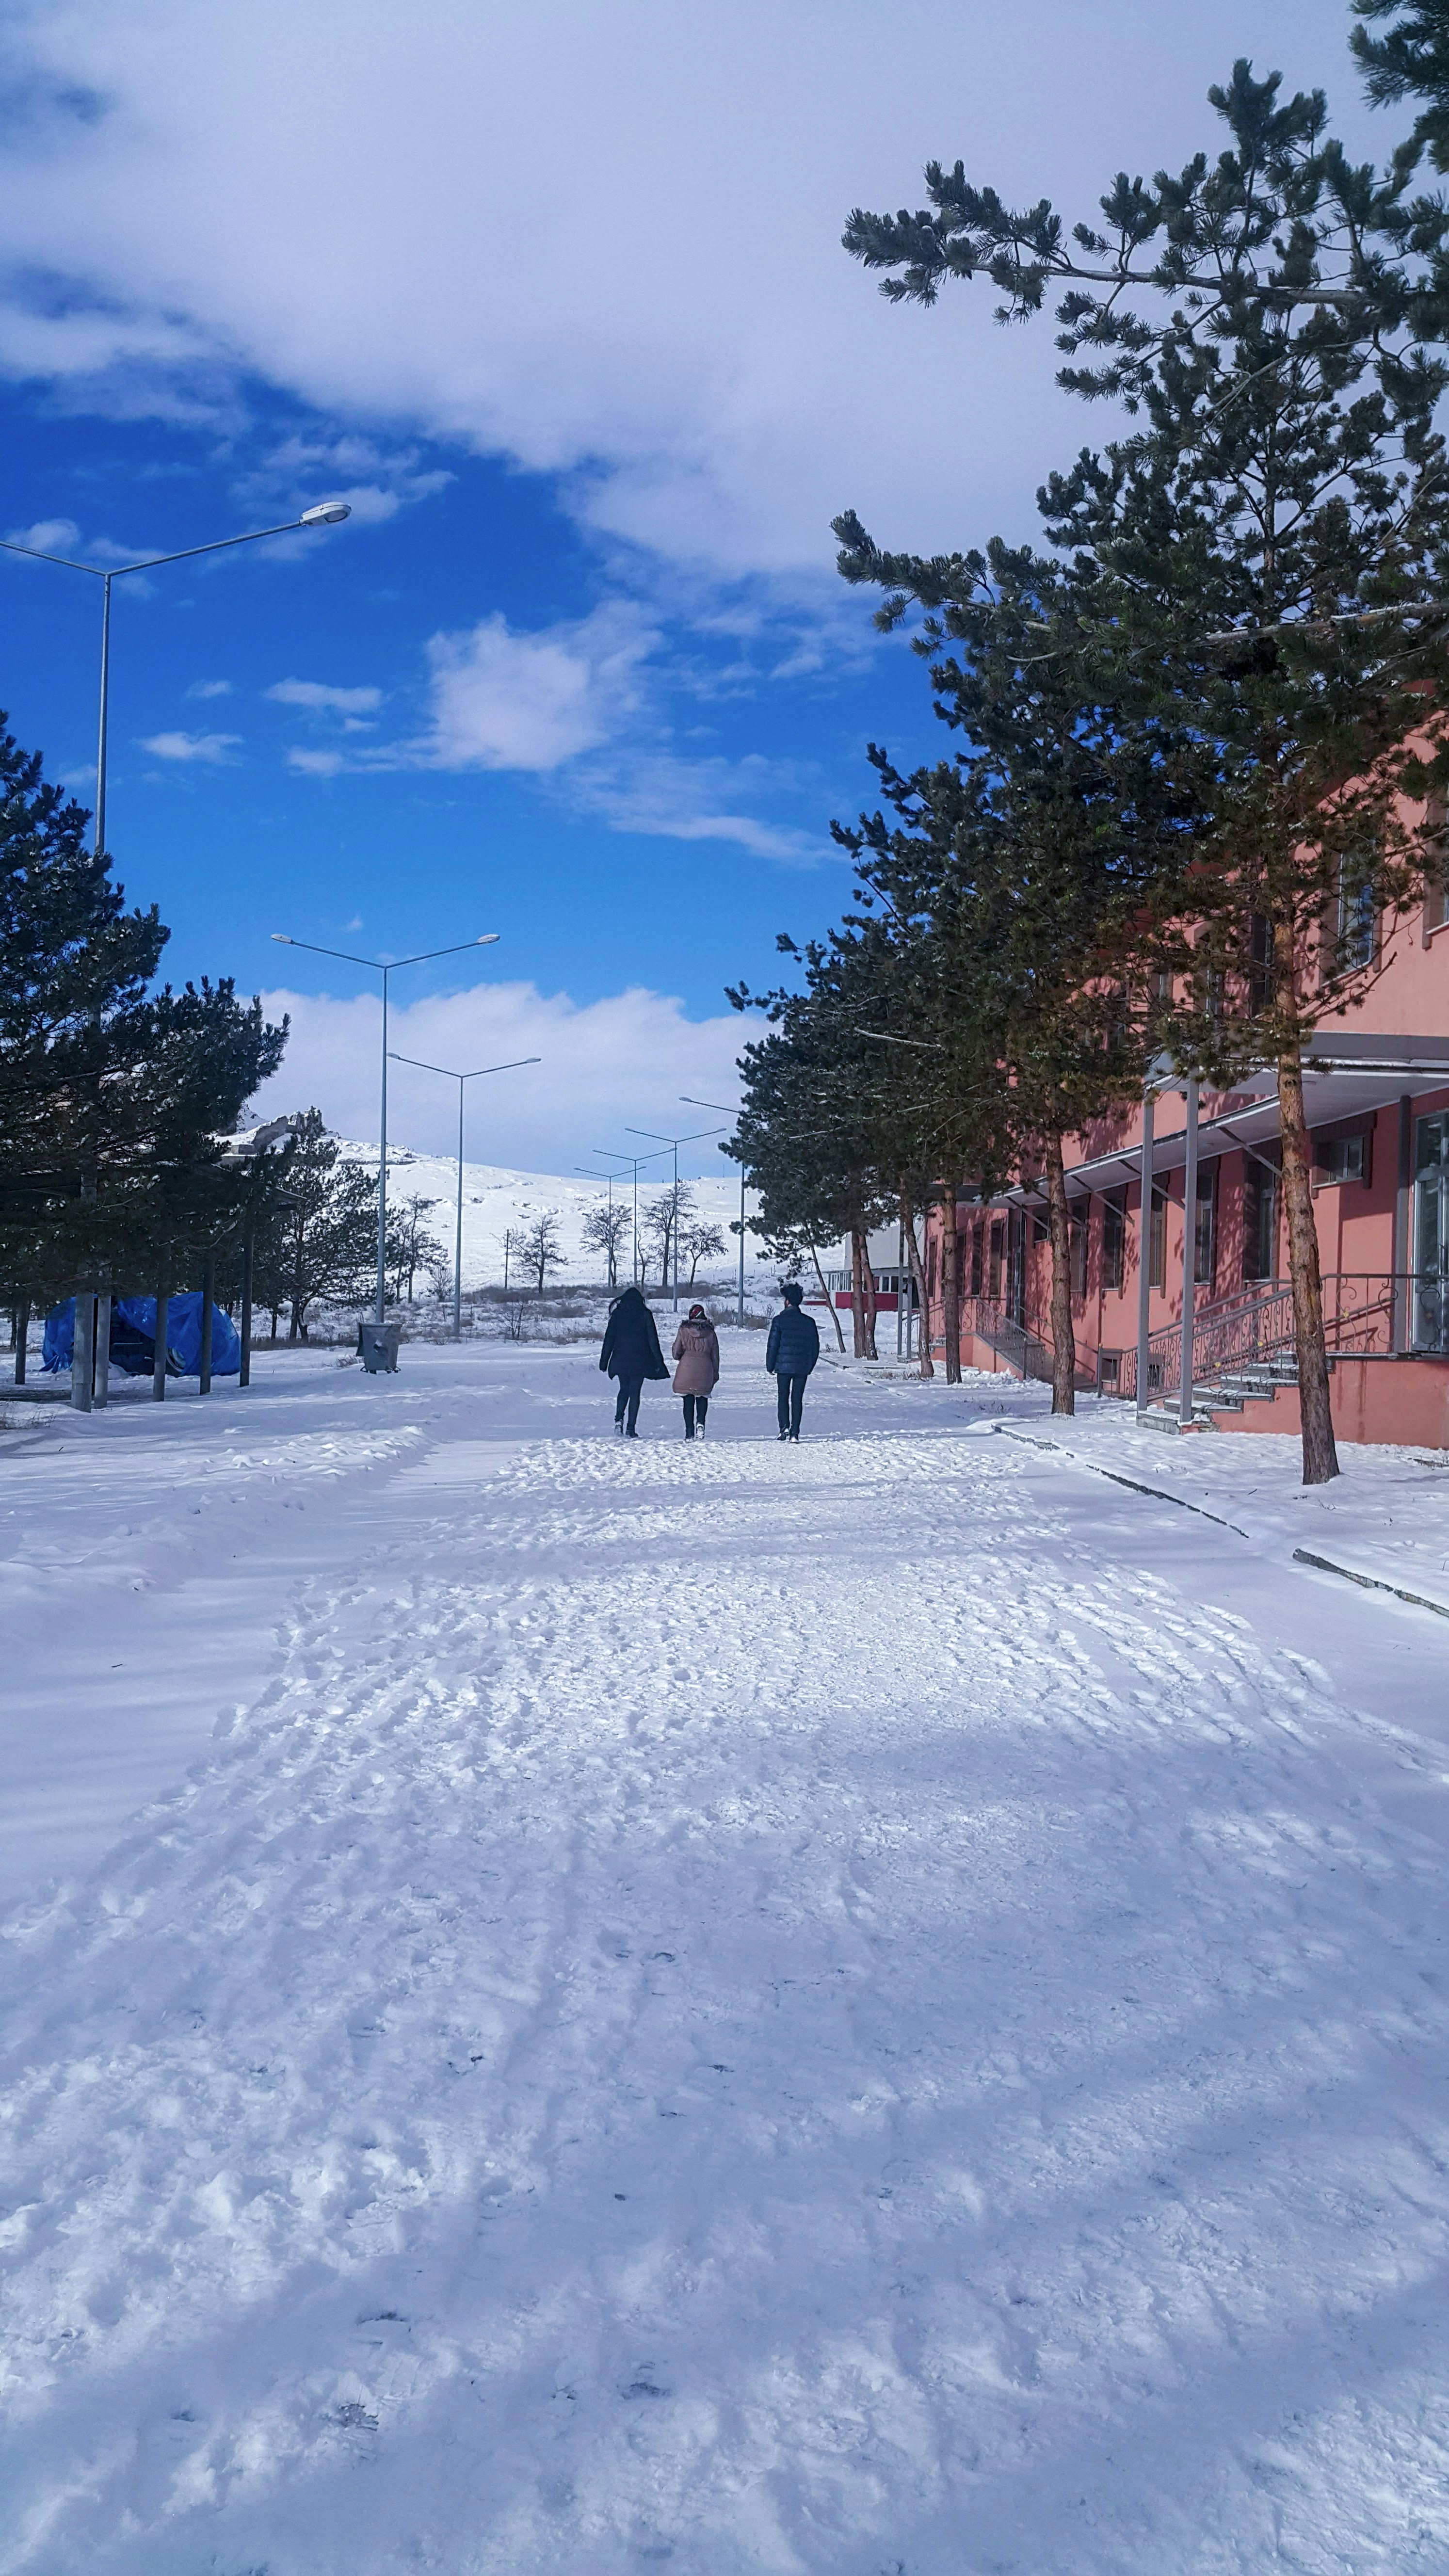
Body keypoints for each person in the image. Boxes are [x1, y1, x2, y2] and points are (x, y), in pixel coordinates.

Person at [599, 1282, 668, 1435]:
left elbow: (609, 1339)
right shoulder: (645, 1314)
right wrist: (659, 1363)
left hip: (620, 1359)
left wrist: (604, 1362)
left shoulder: (617, 1315)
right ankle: (631, 1428)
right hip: (640, 1361)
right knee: (635, 1393)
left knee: (624, 1389)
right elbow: (653, 1341)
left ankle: (618, 1421)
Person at [765, 1279, 820, 1442]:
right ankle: (795, 1432)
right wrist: (810, 1365)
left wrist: (770, 1365)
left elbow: (773, 1345)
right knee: (797, 1399)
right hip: (802, 1367)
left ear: (787, 1302)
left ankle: (784, 1428)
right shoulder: (809, 1322)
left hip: (783, 1367)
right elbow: (815, 1347)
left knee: (783, 1397)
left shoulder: (779, 1321)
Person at [672, 1302, 720, 1438]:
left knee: (688, 1399)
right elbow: (715, 1355)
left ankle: (689, 1432)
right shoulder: (711, 1332)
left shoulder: (683, 1330)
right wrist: (715, 1373)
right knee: (702, 1396)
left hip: (686, 1369)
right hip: (705, 1368)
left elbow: (676, 1353)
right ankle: (701, 1424)